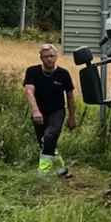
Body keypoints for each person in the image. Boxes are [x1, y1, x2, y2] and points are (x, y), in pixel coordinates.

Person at [22, 43, 78, 178]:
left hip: (57, 112)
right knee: (45, 142)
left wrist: (72, 117)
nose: (49, 59)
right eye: (46, 56)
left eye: (52, 56)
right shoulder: (32, 71)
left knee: (49, 137)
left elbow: (70, 97)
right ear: (41, 57)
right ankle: (61, 169)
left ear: (56, 57)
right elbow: (29, 91)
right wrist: (35, 111)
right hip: (39, 111)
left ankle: (43, 173)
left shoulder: (63, 74)